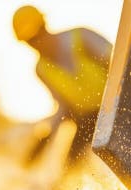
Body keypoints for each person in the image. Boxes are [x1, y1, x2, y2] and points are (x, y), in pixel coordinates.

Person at [13, 5, 112, 168]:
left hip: (118, 102)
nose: (35, 45)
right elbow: (64, 107)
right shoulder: (42, 70)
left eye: (35, 37)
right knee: (71, 167)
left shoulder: (81, 37)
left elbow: (120, 63)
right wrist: (45, 139)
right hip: (89, 119)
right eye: (29, 42)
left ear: (43, 27)